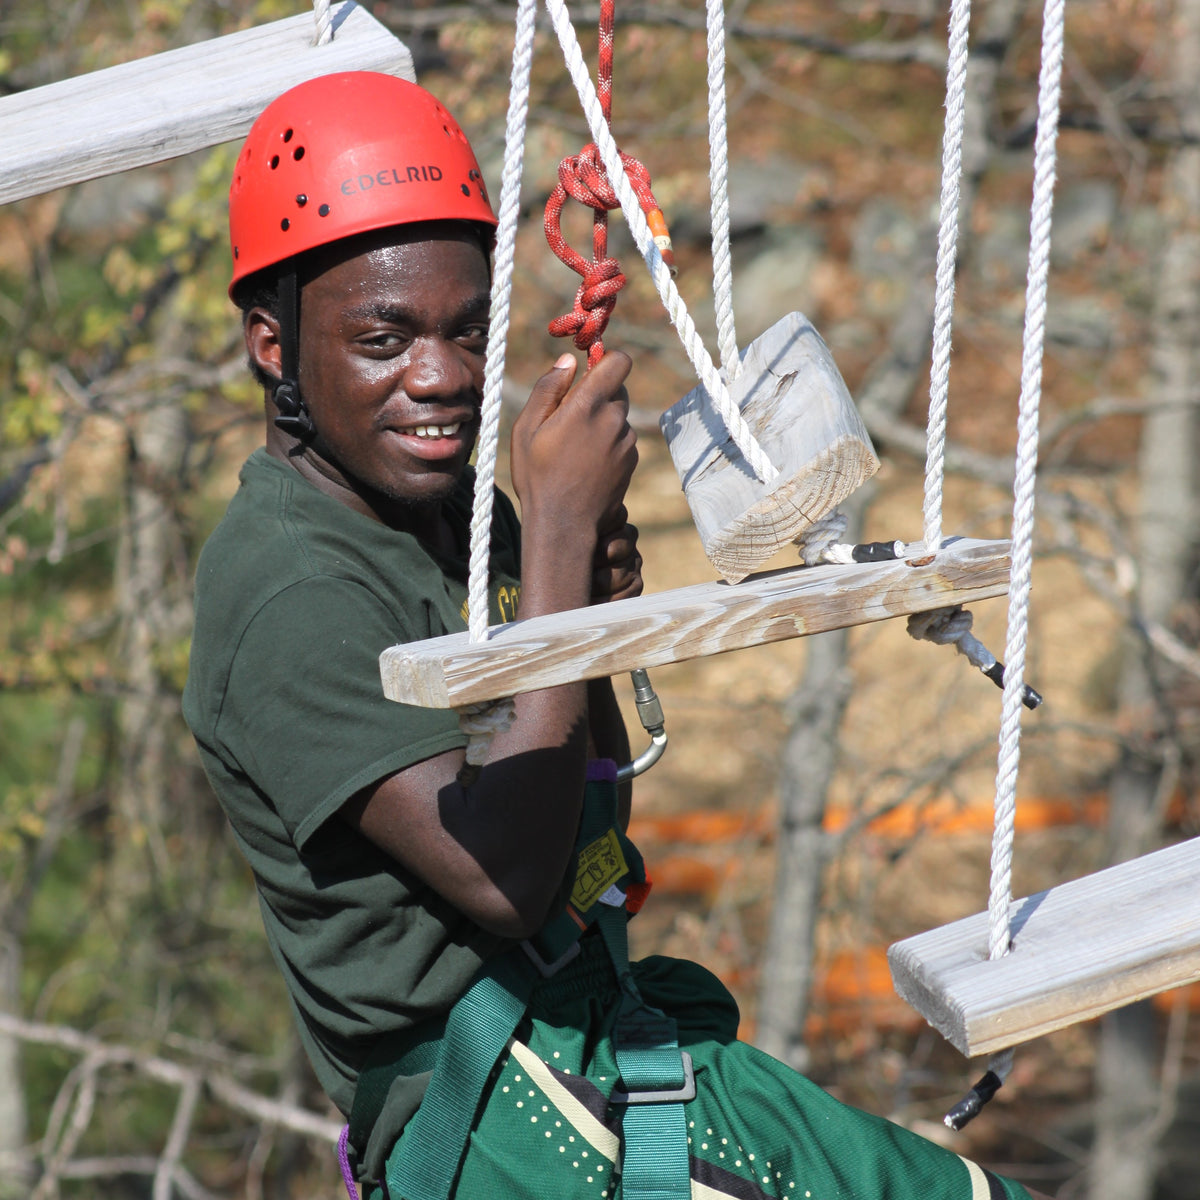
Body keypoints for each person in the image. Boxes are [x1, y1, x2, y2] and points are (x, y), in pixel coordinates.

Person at [184, 71, 1048, 1200]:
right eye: (384, 339)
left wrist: (582, 595)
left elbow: (584, 836)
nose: (440, 377)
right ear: (272, 344)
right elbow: (505, 882)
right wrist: (555, 549)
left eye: (466, 330)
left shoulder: (458, 523)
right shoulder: (289, 593)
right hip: (497, 1101)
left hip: (587, 1035)